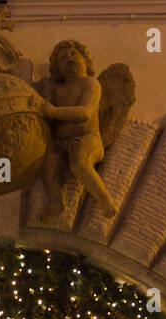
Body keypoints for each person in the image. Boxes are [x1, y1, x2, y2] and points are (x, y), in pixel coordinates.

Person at [37, 40, 117, 221]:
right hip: (60, 142)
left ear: (85, 61)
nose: (69, 59)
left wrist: (53, 111)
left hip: (89, 137)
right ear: (57, 68)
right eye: (63, 58)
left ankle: (105, 199)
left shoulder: (90, 83)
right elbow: (45, 116)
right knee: (48, 165)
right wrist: (46, 94)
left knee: (79, 161)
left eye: (74, 55)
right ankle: (55, 202)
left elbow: (84, 113)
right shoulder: (57, 89)